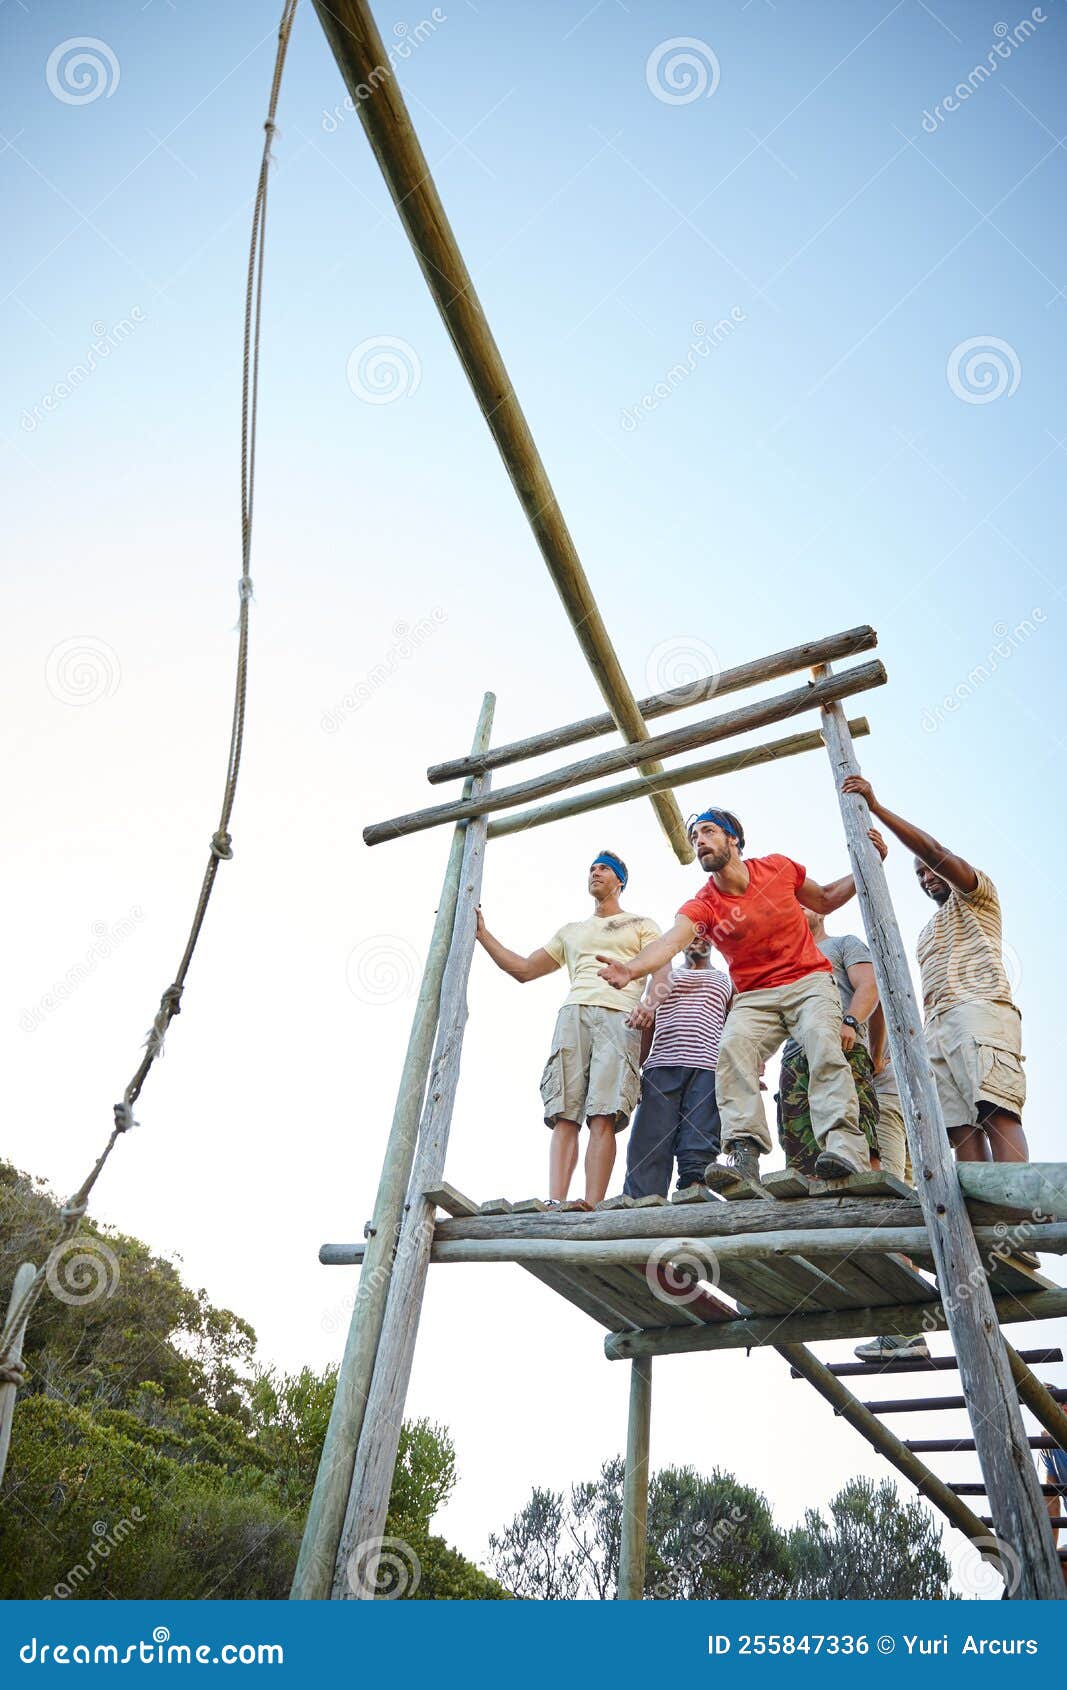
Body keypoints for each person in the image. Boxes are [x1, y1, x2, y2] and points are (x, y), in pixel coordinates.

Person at [597, 806, 888, 1185]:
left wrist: (868, 864)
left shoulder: (778, 868)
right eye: (694, 838)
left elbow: (827, 897)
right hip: (755, 994)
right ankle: (744, 1151)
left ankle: (844, 1147)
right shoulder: (704, 903)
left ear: (733, 838)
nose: (699, 841)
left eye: (708, 832)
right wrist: (631, 968)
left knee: (822, 1039)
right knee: (732, 1048)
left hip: (808, 981)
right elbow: (670, 942)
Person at [841, 776, 1028, 1166]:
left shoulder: (977, 895)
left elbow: (935, 851)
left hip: (979, 1011)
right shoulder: (927, 932)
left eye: (930, 870)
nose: (927, 877)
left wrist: (876, 807)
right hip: (936, 1026)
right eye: (919, 875)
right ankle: (977, 1203)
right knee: (959, 1130)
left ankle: (1019, 1198)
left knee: (995, 1111)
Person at [475, 850, 662, 1207]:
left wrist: (649, 1004)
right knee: (565, 1111)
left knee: (604, 1112)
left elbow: (661, 969)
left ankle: (591, 1203)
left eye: (604, 868)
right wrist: (483, 936)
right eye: (591, 868)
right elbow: (524, 969)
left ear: (620, 880)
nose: (595, 872)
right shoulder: (571, 932)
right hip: (573, 1014)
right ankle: (555, 1201)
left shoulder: (641, 924)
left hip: (619, 1015)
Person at [623, 934, 732, 1199]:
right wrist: (636, 1068)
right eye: (691, 935)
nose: (698, 940)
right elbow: (648, 1022)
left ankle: (694, 1186)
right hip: (662, 1063)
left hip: (708, 1066)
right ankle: (642, 1196)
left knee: (700, 1130)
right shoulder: (665, 977)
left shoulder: (726, 980)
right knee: (651, 1135)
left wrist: (747, 1065)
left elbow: (735, 1026)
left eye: (704, 935)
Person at [853, 1004, 931, 1362]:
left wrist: (872, 1056)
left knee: (888, 1212)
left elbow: (879, 1005)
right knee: (904, 1212)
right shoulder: (909, 1011)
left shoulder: (872, 996)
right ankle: (908, 1327)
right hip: (915, 1111)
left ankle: (904, 1330)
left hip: (885, 1101)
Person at [776, 911, 880, 1178]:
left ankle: (870, 1195)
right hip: (795, 1057)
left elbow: (869, 985)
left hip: (841, 1045)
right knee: (802, 1157)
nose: (797, 909)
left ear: (821, 911)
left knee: (859, 1138)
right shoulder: (785, 961)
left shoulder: (844, 943)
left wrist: (851, 1021)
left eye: (804, 904)